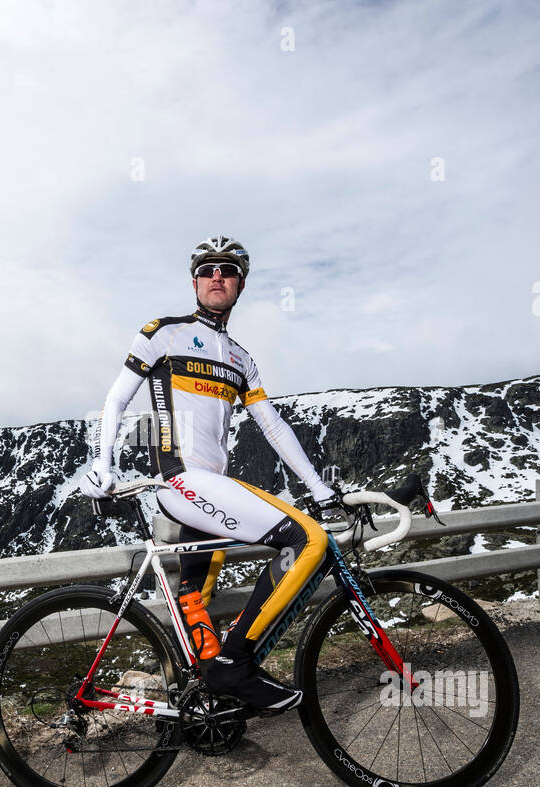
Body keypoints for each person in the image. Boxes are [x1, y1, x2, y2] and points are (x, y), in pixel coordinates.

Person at [79, 235, 343, 713]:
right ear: (194, 281)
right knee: (307, 541)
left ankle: (206, 703)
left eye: (227, 269)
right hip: (181, 479)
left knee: (195, 602)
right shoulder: (164, 332)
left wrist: (320, 487)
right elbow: (117, 398)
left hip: (208, 490)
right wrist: (103, 462)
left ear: (240, 282)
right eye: (206, 269)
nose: (216, 275)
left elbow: (273, 427)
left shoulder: (242, 359)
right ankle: (235, 668)